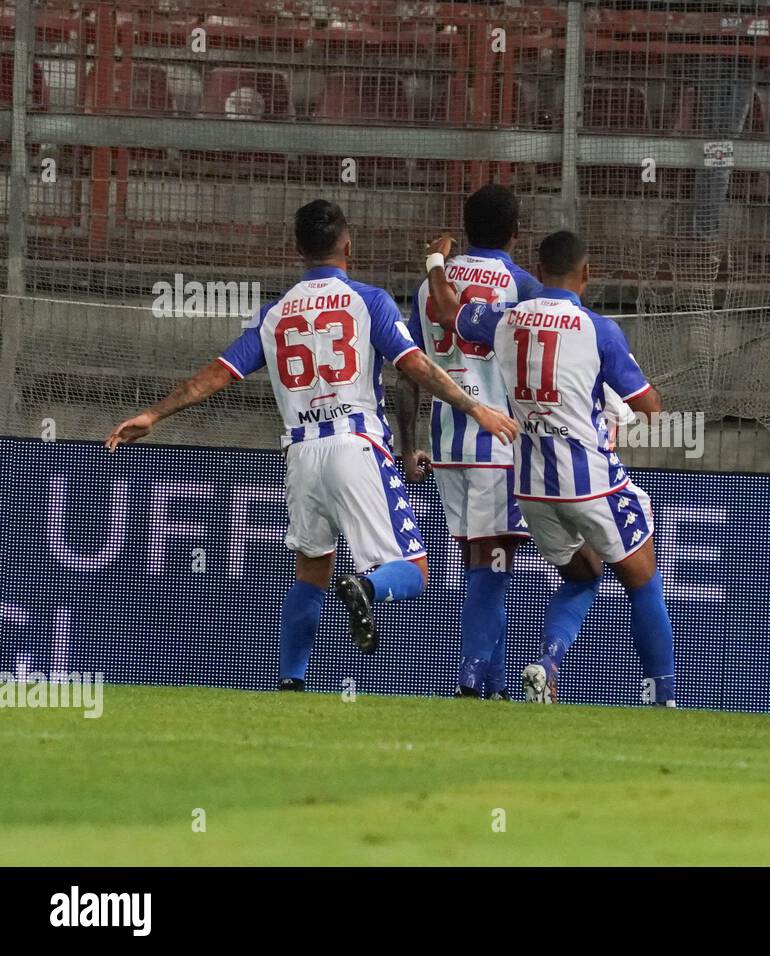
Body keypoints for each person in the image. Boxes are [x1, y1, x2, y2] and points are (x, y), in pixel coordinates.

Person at [105, 200, 517, 690]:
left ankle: (291, 682)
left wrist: (153, 413)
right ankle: (365, 587)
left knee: (311, 567)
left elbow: (219, 372)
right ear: (348, 245)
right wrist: (477, 409)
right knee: (412, 570)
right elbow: (416, 367)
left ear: (298, 249)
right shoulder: (369, 300)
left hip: (300, 453)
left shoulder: (275, 313)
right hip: (355, 444)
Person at [438, 230, 676, 706]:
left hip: (531, 489)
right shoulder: (599, 330)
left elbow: (448, 312)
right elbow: (650, 407)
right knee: (643, 577)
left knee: (585, 575)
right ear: (586, 274)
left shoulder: (504, 320)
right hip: (589, 482)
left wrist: (434, 262)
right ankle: (663, 698)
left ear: (538, 270)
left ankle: (546, 665)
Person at [394, 185, 543, 699]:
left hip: (446, 446)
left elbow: (408, 372)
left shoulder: (426, 287)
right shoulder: (520, 285)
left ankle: (493, 683)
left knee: (481, 563)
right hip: (497, 444)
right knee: (494, 564)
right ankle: (472, 678)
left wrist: (406, 444)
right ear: (515, 234)